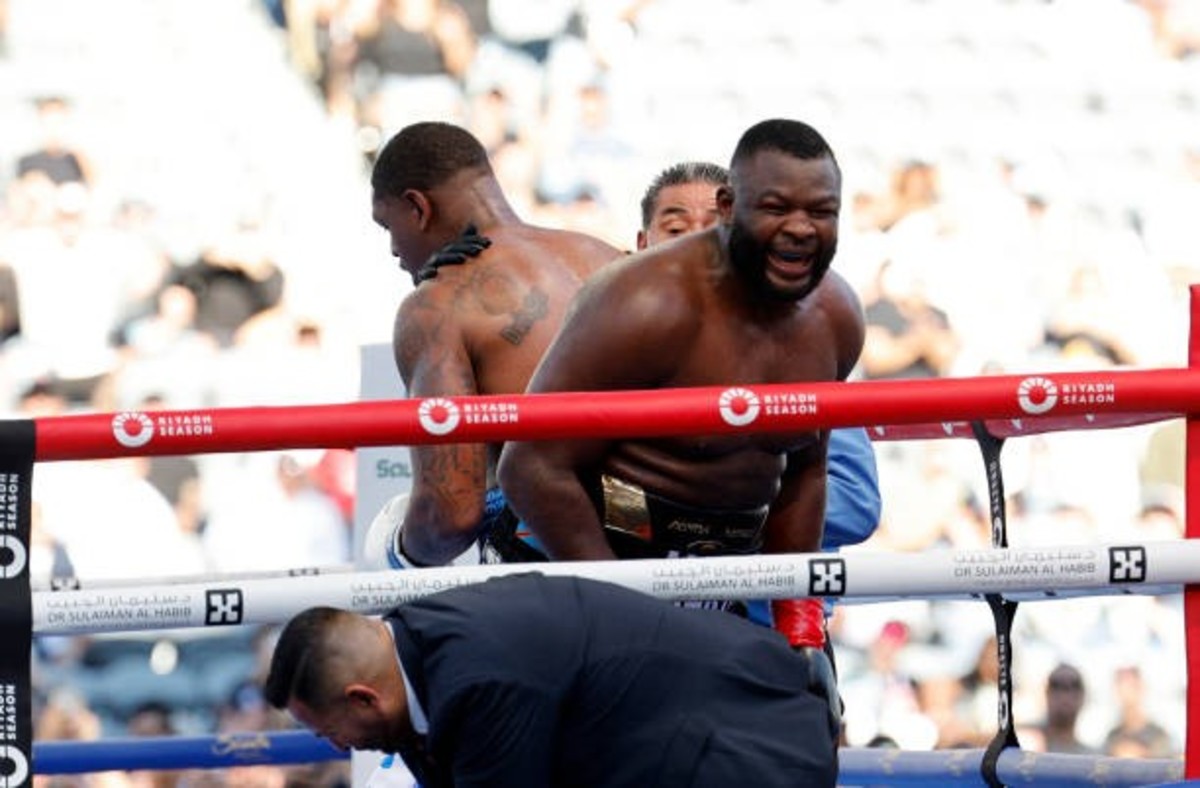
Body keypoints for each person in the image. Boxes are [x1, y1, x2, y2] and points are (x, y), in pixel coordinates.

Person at [497, 119, 864, 712]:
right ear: (728, 206)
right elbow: (530, 466)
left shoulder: (837, 317)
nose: (800, 229)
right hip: (617, 553)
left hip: (735, 575)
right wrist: (622, 608)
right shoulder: (644, 300)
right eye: (776, 208)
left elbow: (804, 469)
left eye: (821, 212)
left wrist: (800, 625)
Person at [264, 572, 838, 787]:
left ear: (361, 696)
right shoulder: (416, 640)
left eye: (329, 732)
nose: (339, 747)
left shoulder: (475, 681)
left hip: (752, 752)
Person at [362, 121, 624, 569]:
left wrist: (397, 550)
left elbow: (451, 515)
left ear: (417, 207)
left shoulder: (437, 306)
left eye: (388, 226)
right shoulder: (605, 256)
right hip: (674, 553)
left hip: (560, 565)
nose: (391, 249)